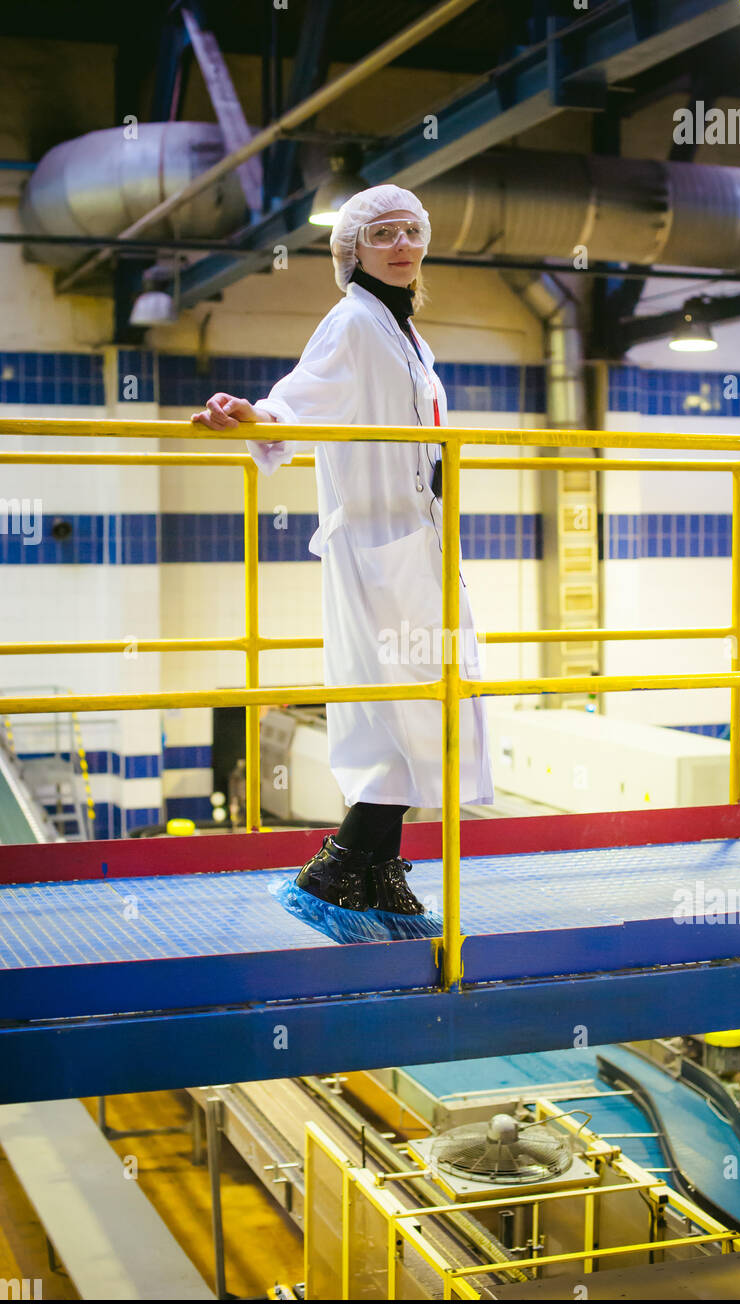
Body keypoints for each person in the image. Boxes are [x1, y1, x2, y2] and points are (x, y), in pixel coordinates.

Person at [192, 183, 493, 921]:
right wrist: (255, 416)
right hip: (376, 546)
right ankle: (335, 872)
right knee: (394, 710)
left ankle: (377, 867)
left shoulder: (407, 335)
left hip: (415, 546)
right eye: (382, 234)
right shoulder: (354, 322)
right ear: (351, 249)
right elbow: (304, 396)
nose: (400, 246)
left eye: (410, 232)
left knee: (424, 706)